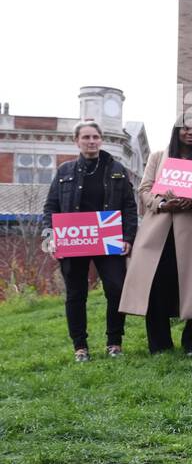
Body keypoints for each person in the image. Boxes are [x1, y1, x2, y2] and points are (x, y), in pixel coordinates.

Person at [119, 114, 192, 355]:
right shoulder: (158, 157)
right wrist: (161, 204)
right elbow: (144, 190)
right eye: (186, 129)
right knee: (157, 285)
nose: (191, 133)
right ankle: (159, 345)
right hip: (161, 232)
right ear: (176, 131)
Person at [42, 120, 137, 361]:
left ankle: (114, 342)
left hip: (109, 238)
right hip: (74, 239)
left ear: (101, 139)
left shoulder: (116, 169)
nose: (91, 141)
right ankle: (80, 347)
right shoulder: (65, 171)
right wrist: (50, 235)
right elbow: (51, 206)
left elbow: (129, 206)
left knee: (115, 289)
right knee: (76, 294)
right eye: (86, 137)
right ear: (77, 142)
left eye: (95, 137)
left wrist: (128, 237)